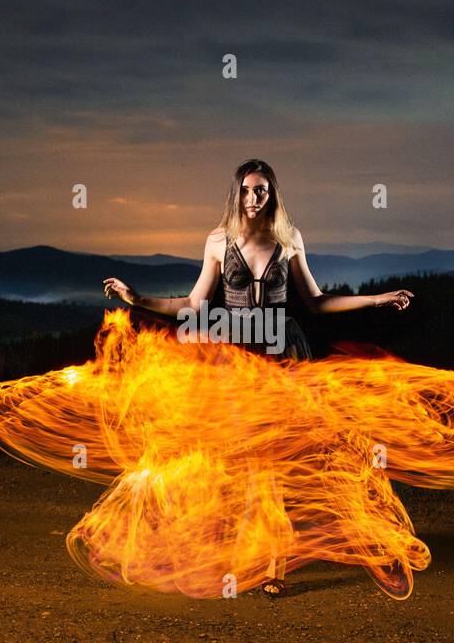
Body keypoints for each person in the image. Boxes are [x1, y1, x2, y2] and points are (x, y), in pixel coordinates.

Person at [101, 158, 414, 595]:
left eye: (261, 191)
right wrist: (136, 298)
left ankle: (273, 566)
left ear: (272, 194)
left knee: (272, 463)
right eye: (247, 190)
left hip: (281, 357)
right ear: (237, 194)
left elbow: (318, 302)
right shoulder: (217, 241)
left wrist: (375, 300)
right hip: (237, 357)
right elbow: (191, 302)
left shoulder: (289, 240)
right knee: (236, 463)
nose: (253, 199)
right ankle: (217, 554)